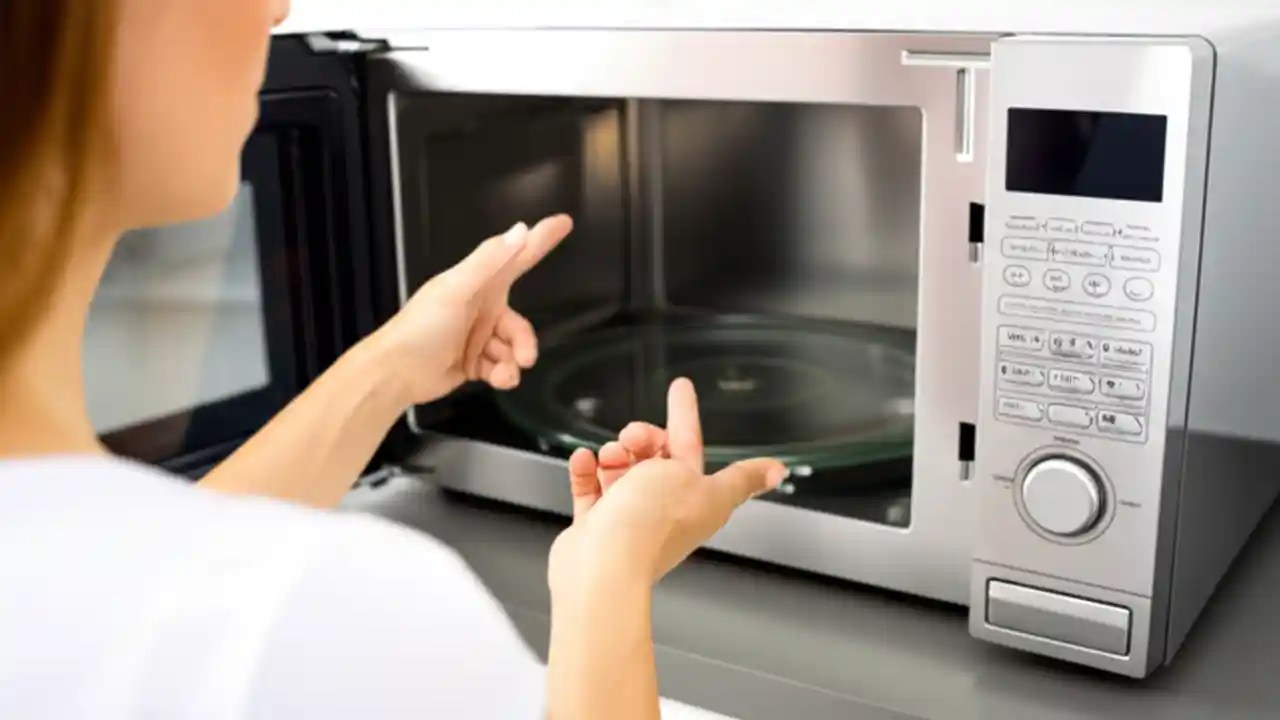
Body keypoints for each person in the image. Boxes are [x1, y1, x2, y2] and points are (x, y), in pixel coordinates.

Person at [0, 1, 787, 718]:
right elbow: (212, 610)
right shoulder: (343, 616)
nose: (276, 10)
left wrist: (392, 366)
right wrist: (607, 576)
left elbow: (149, 578)